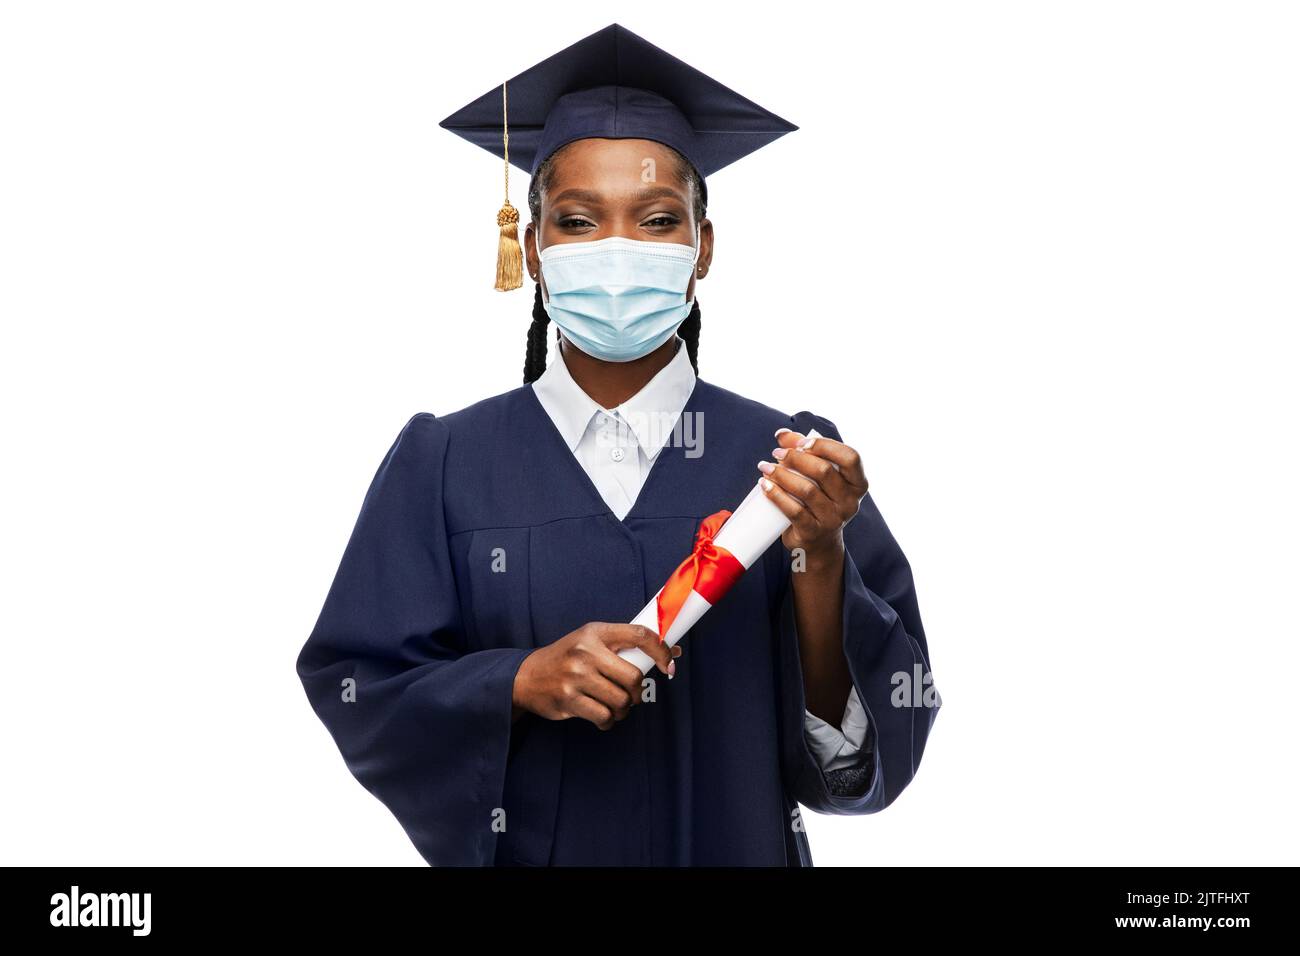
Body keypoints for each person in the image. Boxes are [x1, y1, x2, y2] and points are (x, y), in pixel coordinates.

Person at [296, 23, 939, 866]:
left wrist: (818, 557)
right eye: (577, 221)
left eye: (659, 219)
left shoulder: (789, 465)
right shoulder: (445, 462)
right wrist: (517, 682)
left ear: (702, 249)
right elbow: (360, 686)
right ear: (531, 251)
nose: (617, 250)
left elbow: (848, 769)